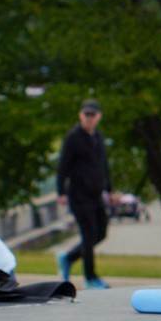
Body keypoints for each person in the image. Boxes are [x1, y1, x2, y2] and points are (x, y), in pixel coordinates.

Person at [56, 99, 113, 289]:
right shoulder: (73, 137)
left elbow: (103, 165)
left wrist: (109, 189)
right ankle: (91, 278)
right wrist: (60, 191)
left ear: (99, 117)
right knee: (88, 234)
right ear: (81, 115)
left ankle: (68, 257)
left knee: (101, 232)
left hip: (96, 195)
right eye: (86, 114)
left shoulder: (98, 137)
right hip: (78, 196)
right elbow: (63, 165)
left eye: (92, 115)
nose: (89, 118)